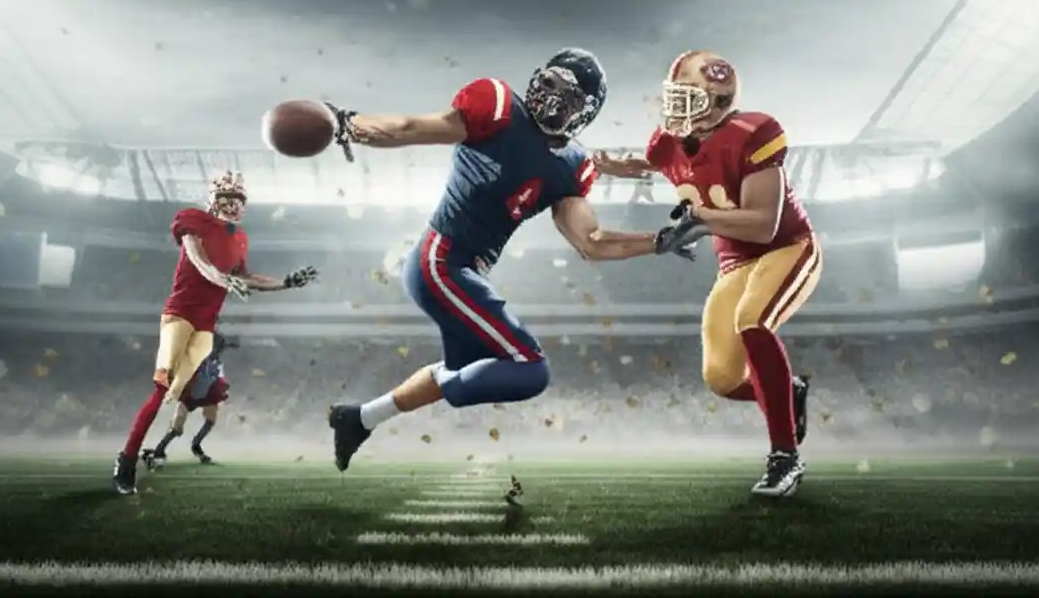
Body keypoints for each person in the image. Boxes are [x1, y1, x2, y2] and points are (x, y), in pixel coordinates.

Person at [321, 48, 703, 472]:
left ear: (586, 112)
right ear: (536, 77)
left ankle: (358, 419)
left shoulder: (572, 166)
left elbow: (591, 242)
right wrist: (348, 125)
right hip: (441, 261)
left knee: (460, 369)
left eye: (569, 96)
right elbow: (410, 127)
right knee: (528, 369)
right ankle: (381, 411)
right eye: (550, 83)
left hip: (464, 271)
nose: (552, 99)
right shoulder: (498, 108)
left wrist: (659, 240)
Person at [592, 50, 820, 497]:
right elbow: (669, 163)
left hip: (785, 248)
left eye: (688, 98)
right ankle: (786, 393)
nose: (675, 108)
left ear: (718, 101)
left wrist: (698, 219)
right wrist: (627, 168)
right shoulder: (666, 141)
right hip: (735, 261)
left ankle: (785, 457)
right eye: (674, 97)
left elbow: (763, 223)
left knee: (752, 322)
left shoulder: (754, 134)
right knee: (721, 378)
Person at [112, 171, 318, 495]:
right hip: (180, 316)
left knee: (175, 394)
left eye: (239, 201)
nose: (233, 206)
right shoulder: (192, 222)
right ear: (213, 200)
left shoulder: (240, 239)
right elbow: (200, 262)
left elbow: (246, 277)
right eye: (227, 199)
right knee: (160, 389)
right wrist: (224, 280)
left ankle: (160, 447)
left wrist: (285, 282)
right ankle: (126, 462)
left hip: (205, 326)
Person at [142, 332, 236, 468]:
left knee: (210, 420)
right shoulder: (194, 355)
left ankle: (195, 444)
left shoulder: (215, 361)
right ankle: (160, 449)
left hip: (209, 389)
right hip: (191, 389)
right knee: (177, 426)